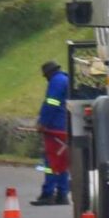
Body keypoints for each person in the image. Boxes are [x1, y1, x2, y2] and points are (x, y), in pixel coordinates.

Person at [34, 61, 71, 205]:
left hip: (55, 127)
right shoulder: (65, 79)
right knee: (61, 161)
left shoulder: (56, 82)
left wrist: (43, 123)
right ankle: (62, 193)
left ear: (49, 74)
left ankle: (48, 193)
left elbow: (51, 104)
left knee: (50, 162)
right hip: (63, 126)